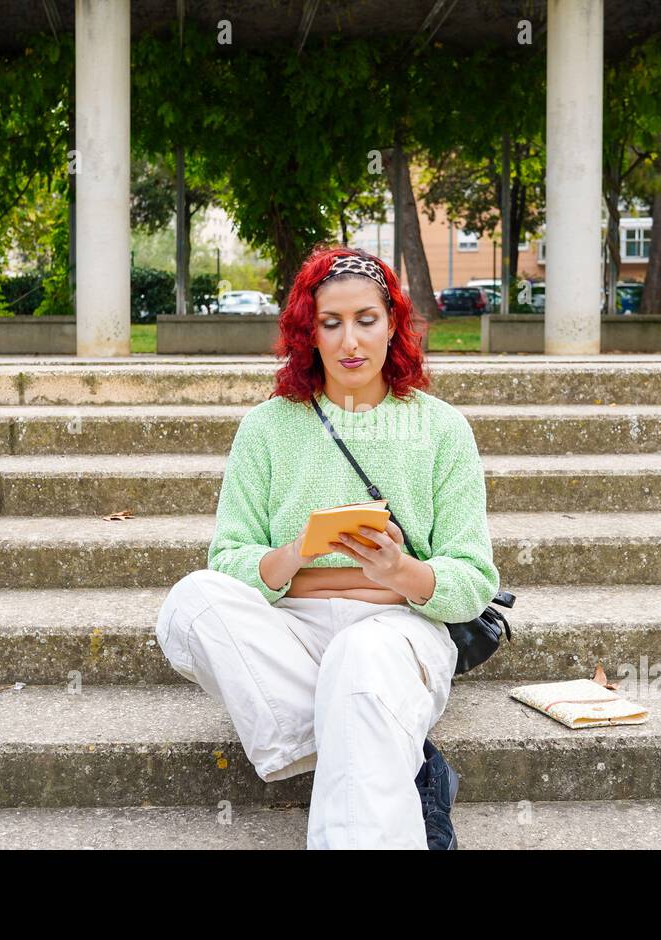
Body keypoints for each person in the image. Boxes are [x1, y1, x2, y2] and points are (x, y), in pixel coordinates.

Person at [155, 245, 499, 849]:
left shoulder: (442, 428)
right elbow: (228, 558)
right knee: (190, 602)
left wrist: (398, 571)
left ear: (393, 323)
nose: (350, 342)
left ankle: (364, 744)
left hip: (399, 628)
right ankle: (392, 753)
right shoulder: (267, 427)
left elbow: (472, 579)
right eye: (330, 323)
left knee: (361, 657)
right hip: (292, 632)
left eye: (366, 319)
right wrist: (294, 555)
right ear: (307, 333)